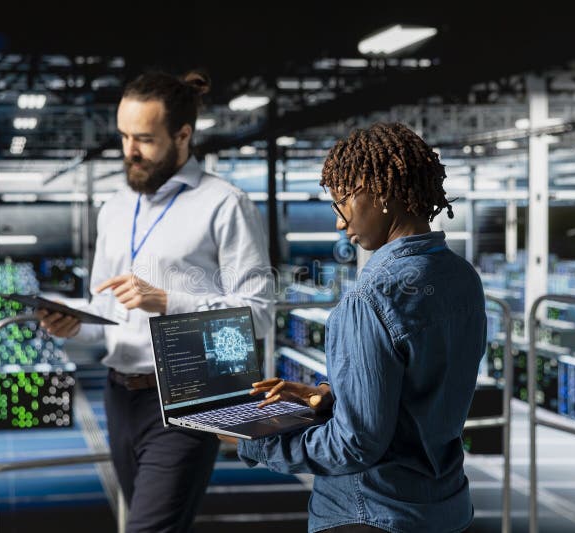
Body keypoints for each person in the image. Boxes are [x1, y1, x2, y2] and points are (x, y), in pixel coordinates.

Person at [38, 70, 274, 532]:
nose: (129, 151)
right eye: (124, 136)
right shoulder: (115, 207)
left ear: (183, 135)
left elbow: (259, 314)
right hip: (118, 395)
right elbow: (107, 311)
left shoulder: (225, 205)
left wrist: (169, 301)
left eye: (144, 138)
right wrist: (74, 324)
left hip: (186, 396)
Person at [223, 123, 487, 533]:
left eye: (341, 201)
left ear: (377, 192)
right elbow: (416, 397)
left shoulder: (368, 300)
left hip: (369, 513)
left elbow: (354, 445)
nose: (339, 221)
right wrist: (329, 397)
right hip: (445, 509)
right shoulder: (461, 277)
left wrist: (255, 441)